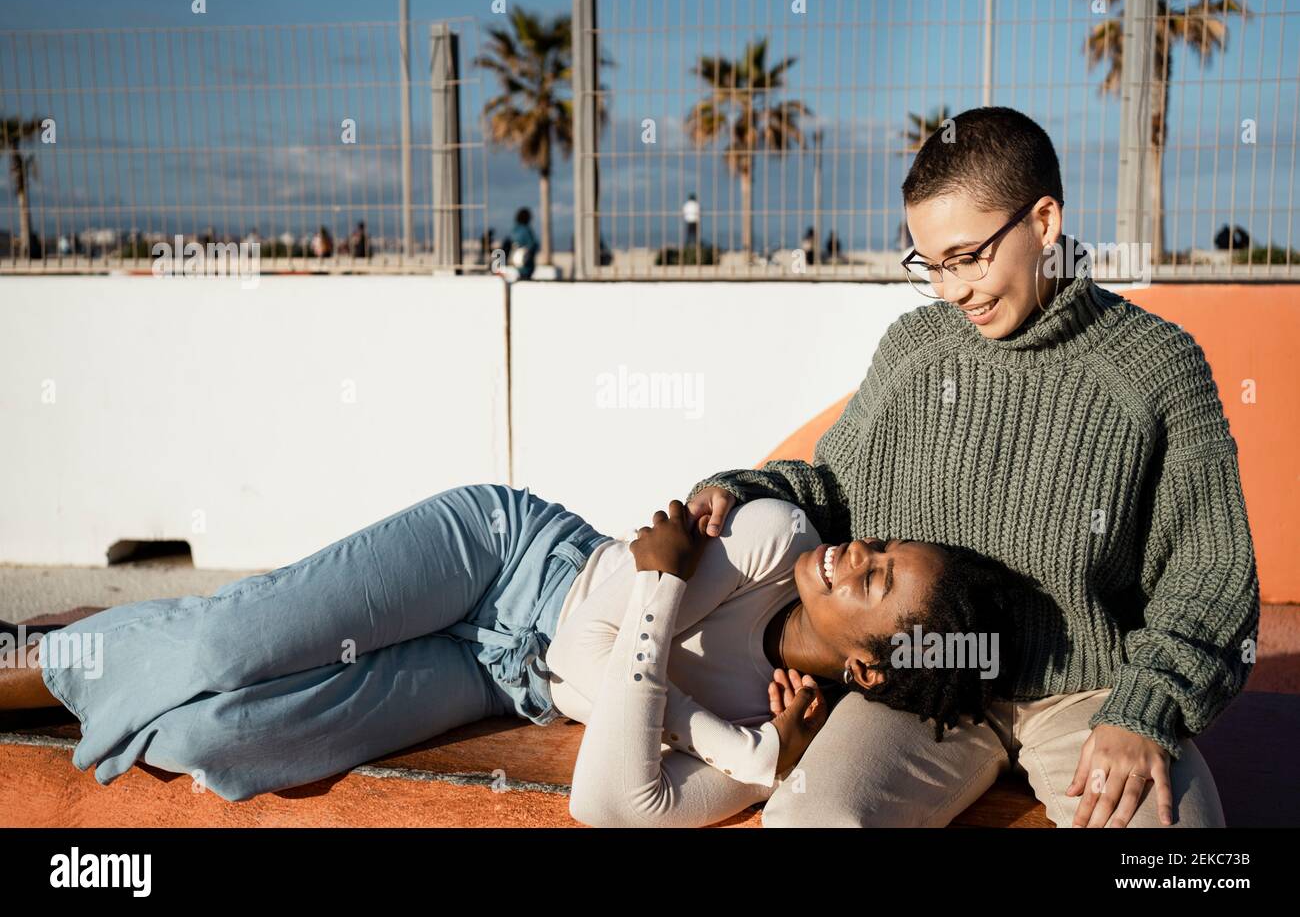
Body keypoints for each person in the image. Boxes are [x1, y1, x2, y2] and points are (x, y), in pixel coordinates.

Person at [686, 106, 1259, 829]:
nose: (952, 290)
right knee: (809, 819)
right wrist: (741, 489)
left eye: (967, 257)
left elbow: (1211, 571)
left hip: (1088, 694)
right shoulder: (915, 348)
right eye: (930, 265)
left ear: (1044, 222)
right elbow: (831, 488)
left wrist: (1146, 709)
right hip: (922, 692)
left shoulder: (1158, 370)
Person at [0, 489, 1023, 826]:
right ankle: (38, 663)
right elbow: (612, 650)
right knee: (228, 641)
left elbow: (612, 803)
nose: (859, 556)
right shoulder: (773, 533)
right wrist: (743, 745)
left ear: (876, 670)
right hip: (502, 555)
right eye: (884, 547)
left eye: (878, 583)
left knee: (222, 733)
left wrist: (763, 757)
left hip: (503, 677)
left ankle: (108, 639)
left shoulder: (786, 728)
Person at [509, 208, 539, 280]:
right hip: (526, 263)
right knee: (525, 279)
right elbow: (533, 244)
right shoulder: (526, 230)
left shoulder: (514, 230)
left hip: (516, 261)